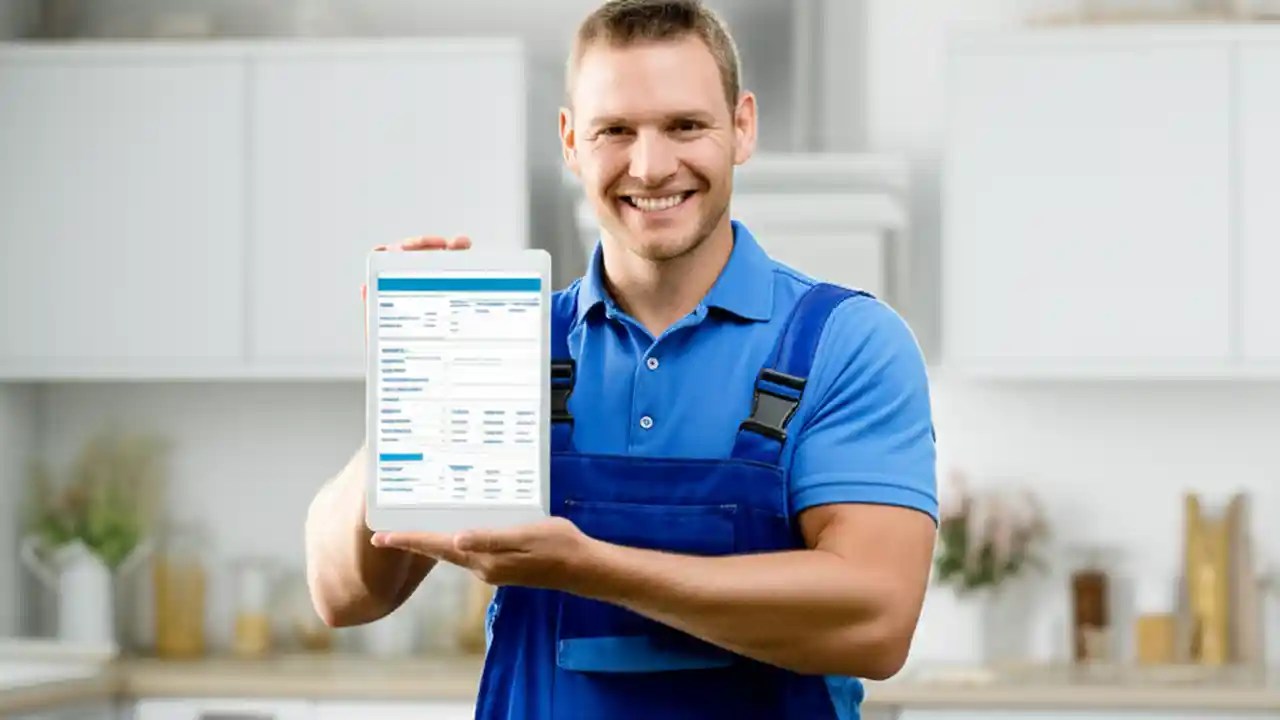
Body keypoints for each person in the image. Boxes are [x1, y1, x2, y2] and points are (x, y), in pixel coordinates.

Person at [305, 1, 938, 717]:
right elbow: (344, 594)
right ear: (572, 141)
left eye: (685, 125)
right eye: (616, 130)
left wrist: (593, 569)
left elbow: (876, 621)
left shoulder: (845, 344)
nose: (652, 164)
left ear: (743, 126)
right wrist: (410, 381)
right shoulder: (508, 345)